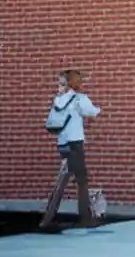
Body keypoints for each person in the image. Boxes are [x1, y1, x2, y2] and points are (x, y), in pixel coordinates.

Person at [39, 69, 102, 230]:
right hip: (75, 143)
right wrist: (99, 109)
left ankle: (48, 218)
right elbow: (91, 112)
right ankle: (84, 218)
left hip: (62, 143)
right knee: (81, 181)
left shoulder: (58, 99)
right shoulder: (79, 99)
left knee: (66, 177)